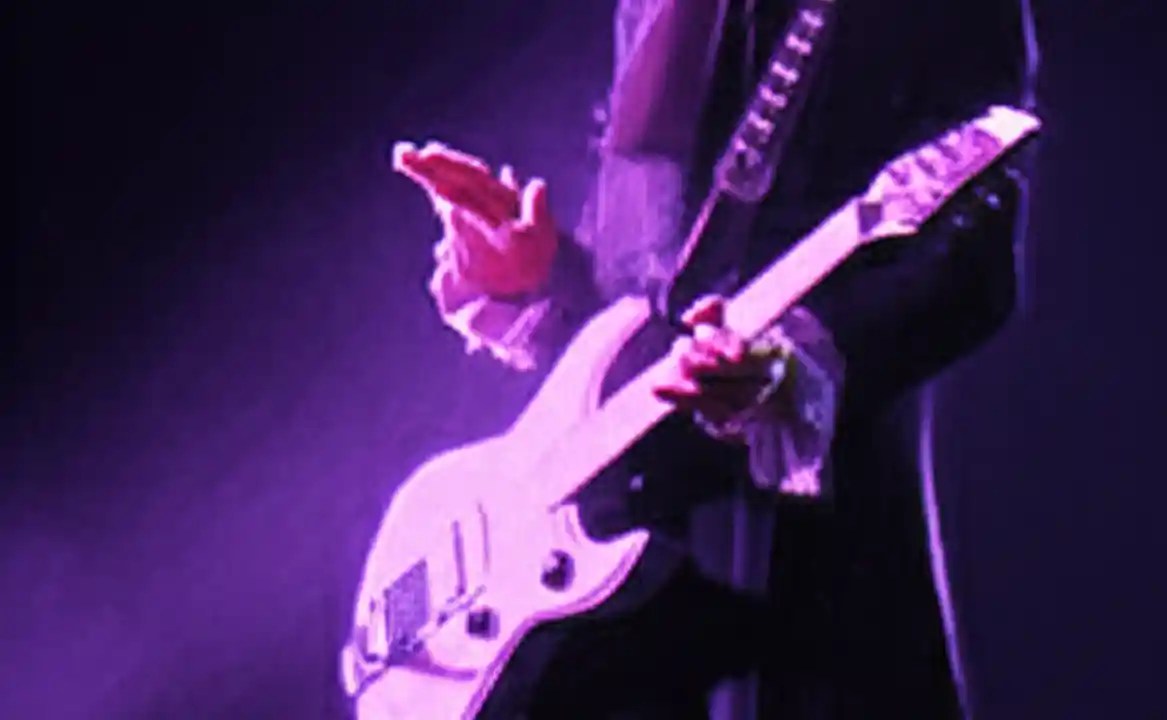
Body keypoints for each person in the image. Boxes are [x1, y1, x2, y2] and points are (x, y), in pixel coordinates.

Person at [390, 0, 1038, 717]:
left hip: (807, 568)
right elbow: (641, 291)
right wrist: (544, 279)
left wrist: (791, 376)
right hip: (615, 593)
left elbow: (972, 271)